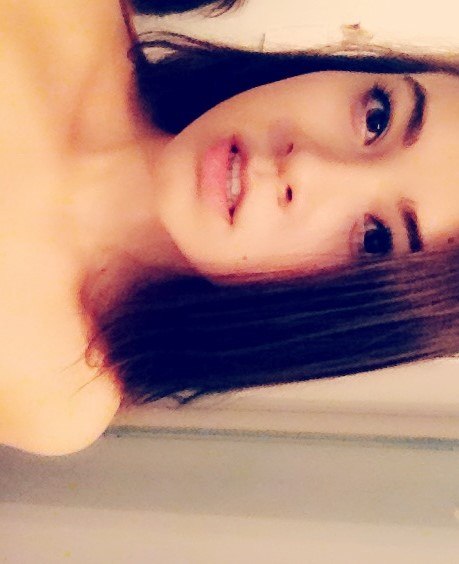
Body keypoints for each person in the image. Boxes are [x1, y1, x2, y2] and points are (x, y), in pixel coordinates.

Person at [1, 0, 458, 455]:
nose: (307, 167)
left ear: (348, 317)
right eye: (378, 118)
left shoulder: (55, 393)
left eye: (375, 240)